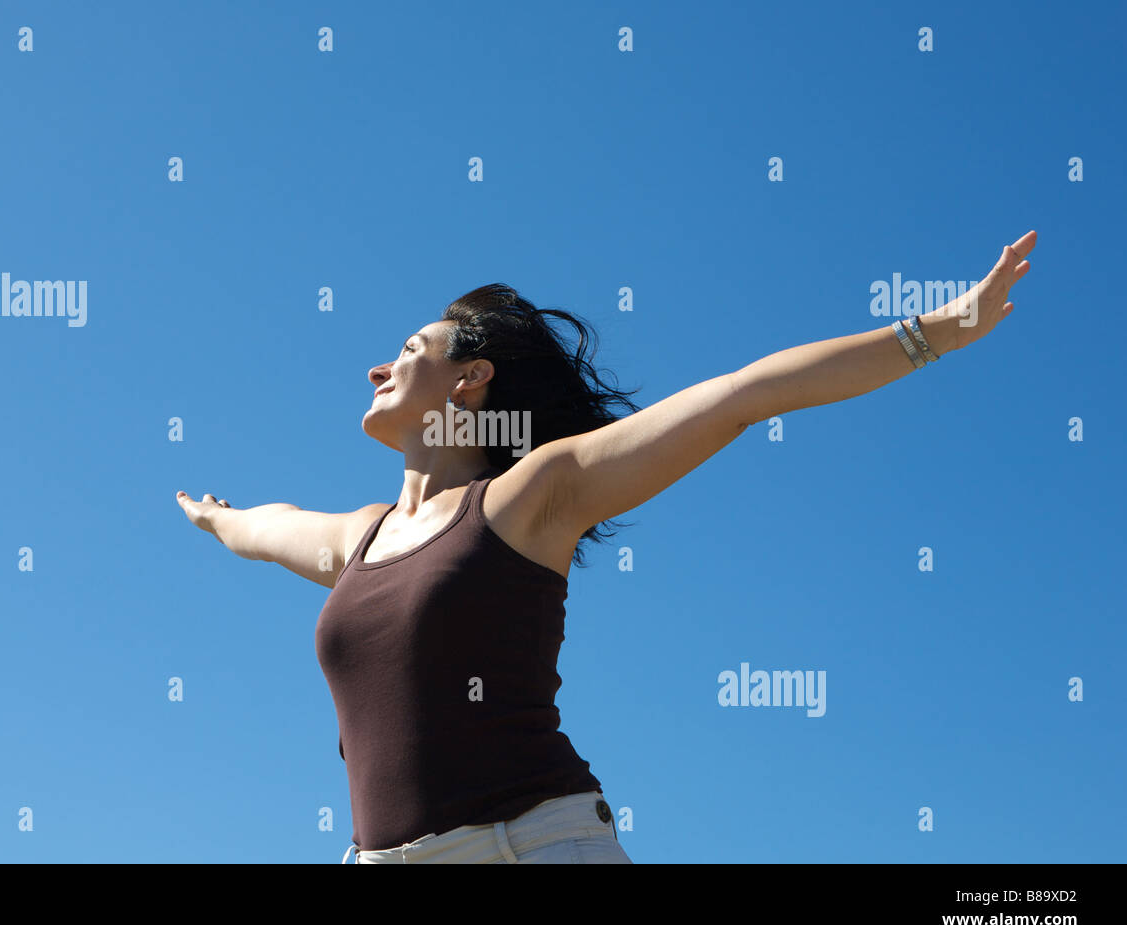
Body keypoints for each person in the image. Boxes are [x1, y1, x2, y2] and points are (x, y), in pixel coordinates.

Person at [176, 231, 1036, 863]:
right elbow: (260, 527)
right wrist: (216, 518)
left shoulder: (530, 496)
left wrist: (941, 328)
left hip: (530, 847)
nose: (378, 368)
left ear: (472, 380)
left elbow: (742, 395)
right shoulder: (356, 541)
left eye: (409, 349)